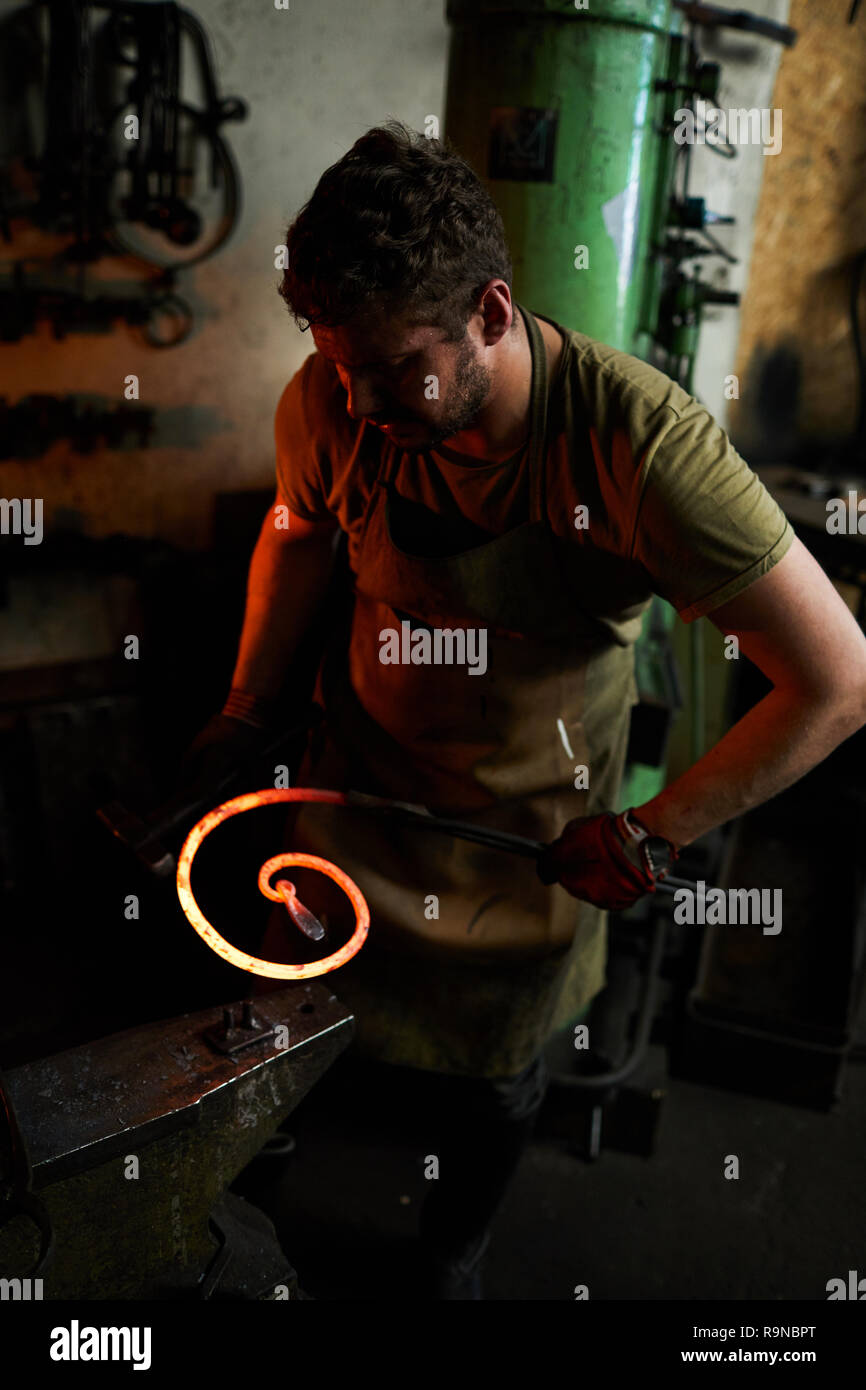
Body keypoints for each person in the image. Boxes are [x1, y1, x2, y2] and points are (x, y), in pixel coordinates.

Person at [188, 121, 866, 1298]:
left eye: (397, 367)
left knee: (489, 1077)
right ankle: (243, 1240)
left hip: (525, 847)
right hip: (352, 809)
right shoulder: (336, 402)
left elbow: (839, 680)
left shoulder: (637, 443)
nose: (356, 395)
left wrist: (658, 831)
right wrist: (248, 709)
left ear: (491, 315)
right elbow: (297, 534)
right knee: (279, 1040)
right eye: (336, 359)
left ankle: (453, 1253)